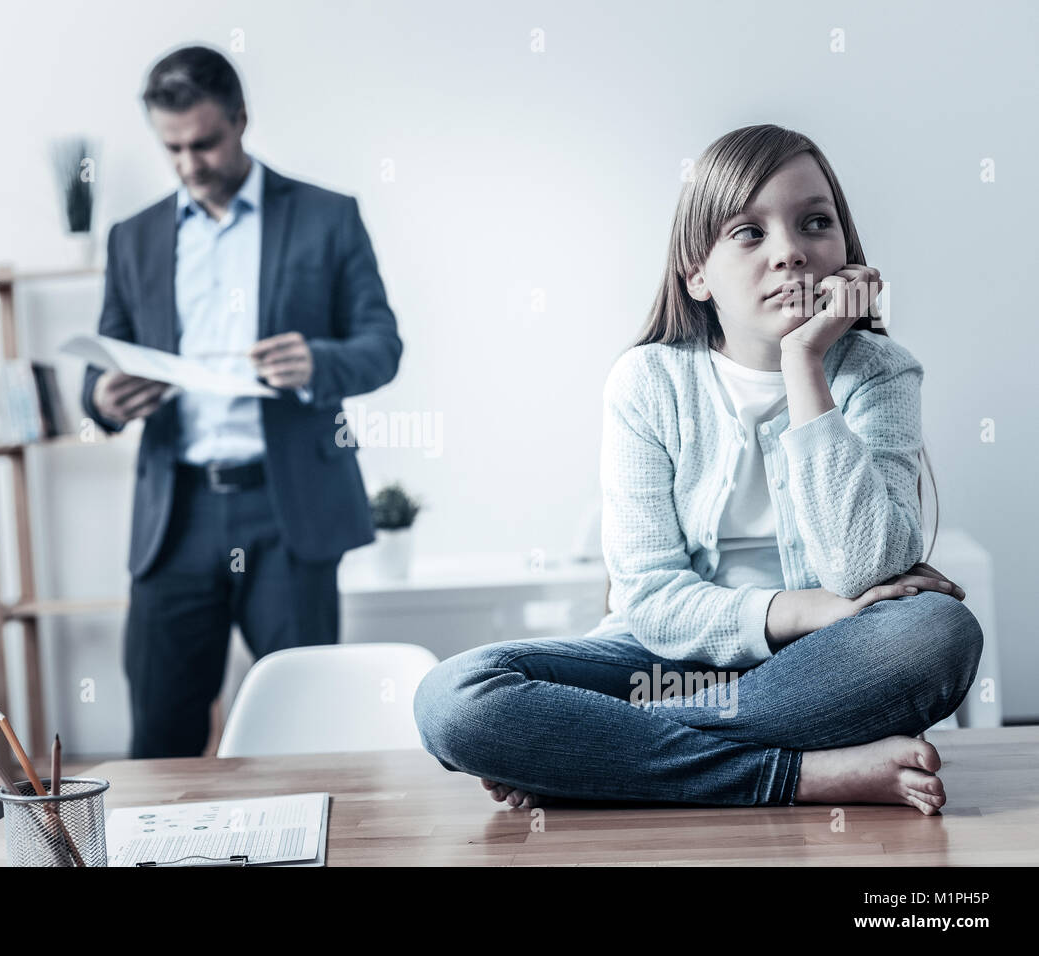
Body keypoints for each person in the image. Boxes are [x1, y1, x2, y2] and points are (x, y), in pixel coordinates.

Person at [413, 124, 982, 815]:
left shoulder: (880, 373)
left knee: (939, 633)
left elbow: (867, 568)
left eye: (815, 224)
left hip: (819, 674)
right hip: (662, 668)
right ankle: (803, 776)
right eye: (749, 232)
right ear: (697, 273)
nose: (791, 253)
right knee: (456, 699)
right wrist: (813, 611)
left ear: (848, 255)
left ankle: (597, 757)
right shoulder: (647, 381)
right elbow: (650, 599)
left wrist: (805, 363)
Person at [81, 44, 402, 758]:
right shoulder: (132, 239)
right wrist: (105, 397)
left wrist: (317, 361)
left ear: (241, 119)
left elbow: (383, 347)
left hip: (288, 511)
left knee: (306, 730)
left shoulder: (327, 217)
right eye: (173, 149)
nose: (190, 164)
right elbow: (102, 367)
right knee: (160, 735)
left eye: (205, 142)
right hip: (177, 514)